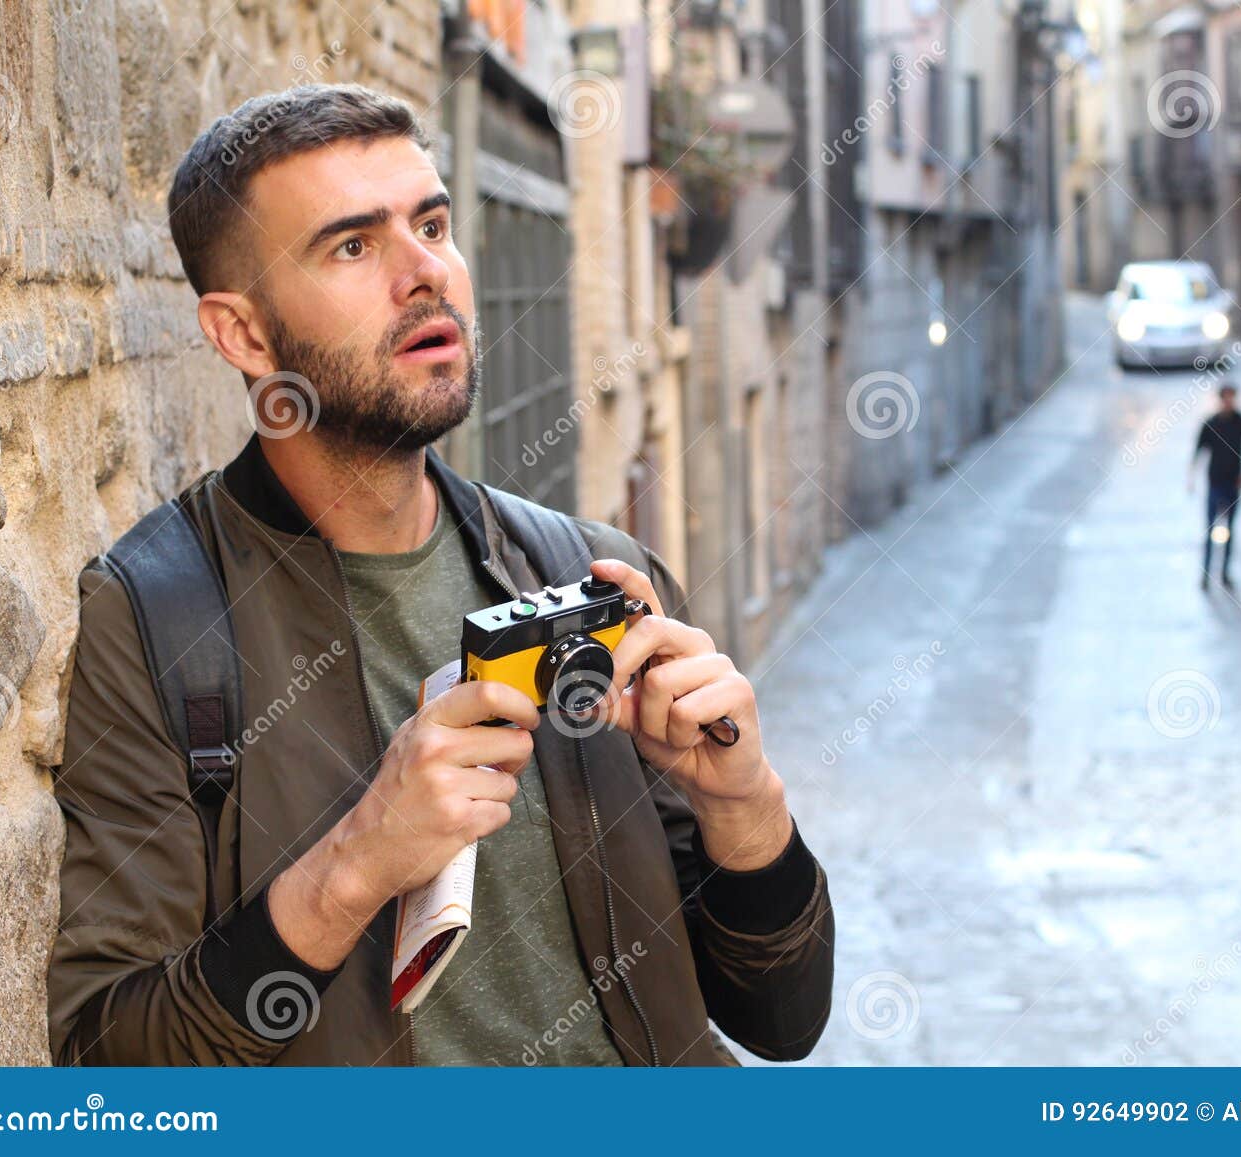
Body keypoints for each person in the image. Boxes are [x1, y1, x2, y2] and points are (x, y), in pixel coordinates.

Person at [48, 85, 833, 1066]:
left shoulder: (590, 570)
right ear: (244, 334)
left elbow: (782, 1020)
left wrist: (744, 805)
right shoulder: (157, 619)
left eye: (431, 225)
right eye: (352, 245)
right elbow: (110, 1060)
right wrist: (357, 860)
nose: (426, 272)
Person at [1189, 384, 1241, 591]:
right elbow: (1198, 452)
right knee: (1210, 529)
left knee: (1230, 530)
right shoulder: (1211, 424)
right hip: (1215, 483)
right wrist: (1191, 478)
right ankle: (1206, 574)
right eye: (1226, 398)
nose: (1229, 402)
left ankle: (1225, 573)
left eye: (1232, 398)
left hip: (1233, 484)